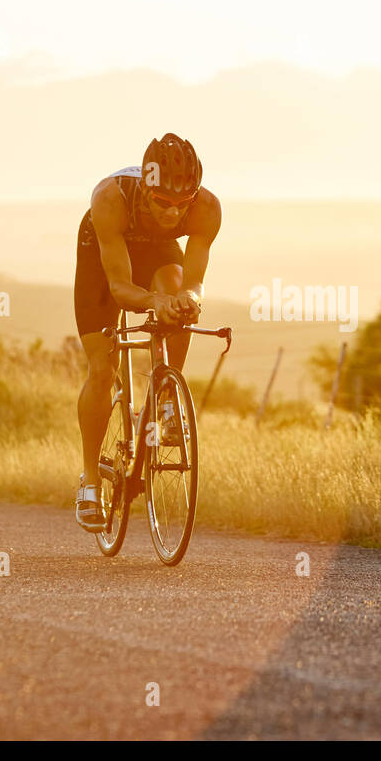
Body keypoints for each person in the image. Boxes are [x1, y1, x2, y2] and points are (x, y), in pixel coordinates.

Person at [72, 133, 221, 531]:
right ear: (145, 189)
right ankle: (89, 481)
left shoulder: (206, 207)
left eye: (181, 205)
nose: (173, 213)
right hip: (105, 255)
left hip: (157, 251)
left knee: (176, 291)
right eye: (162, 203)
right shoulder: (111, 198)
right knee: (102, 369)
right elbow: (119, 288)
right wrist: (152, 302)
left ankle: (166, 396)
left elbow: (194, 279)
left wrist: (188, 297)